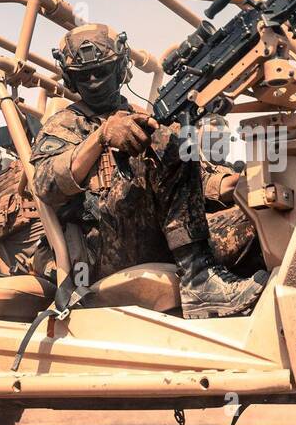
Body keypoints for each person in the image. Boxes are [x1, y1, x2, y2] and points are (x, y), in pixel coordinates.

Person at [29, 23, 266, 318]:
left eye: (101, 71)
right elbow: (46, 185)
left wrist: (239, 186)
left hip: (159, 237)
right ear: (71, 80)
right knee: (169, 138)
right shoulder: (63, 124)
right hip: (97, 251)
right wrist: (101, 136)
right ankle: (199, 282)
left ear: (120, 70)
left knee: (260, 220)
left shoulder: (143, 117)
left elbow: (195, 180)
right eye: (83, 75)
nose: (92, 80)